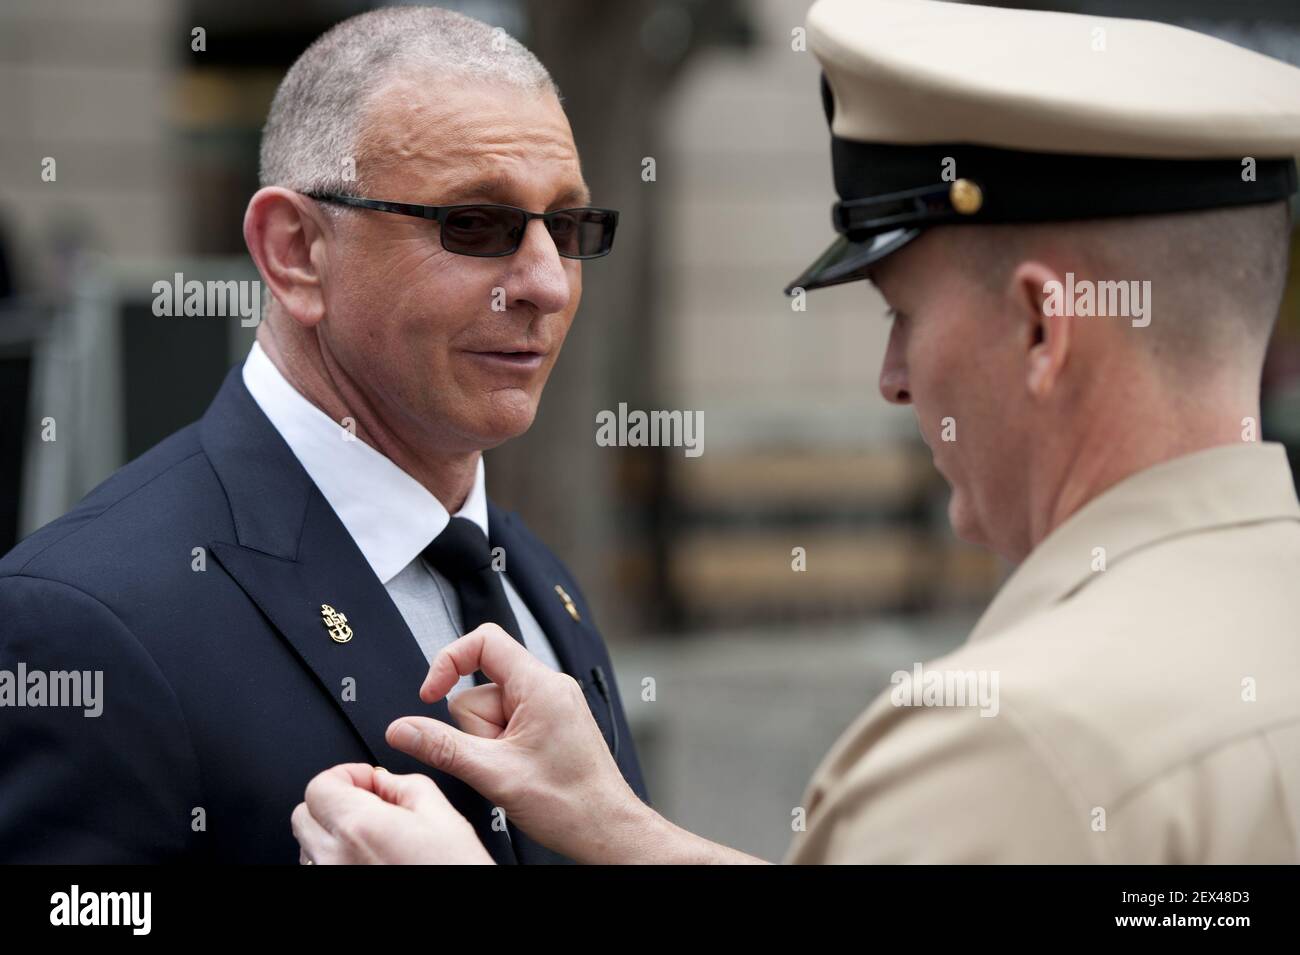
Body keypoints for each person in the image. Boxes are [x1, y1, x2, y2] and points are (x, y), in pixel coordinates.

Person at [293, 0, 1300, 864]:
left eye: (902, 315)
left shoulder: (1014, 747)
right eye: (473, 225)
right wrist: (620, 829)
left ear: (1043, 325)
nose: (892, 378)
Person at [0, 6, 645, 864]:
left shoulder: (538, 582)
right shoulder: (83, 618)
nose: (544, 284)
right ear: (297, 251)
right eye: (476, 225)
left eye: (564, 229)